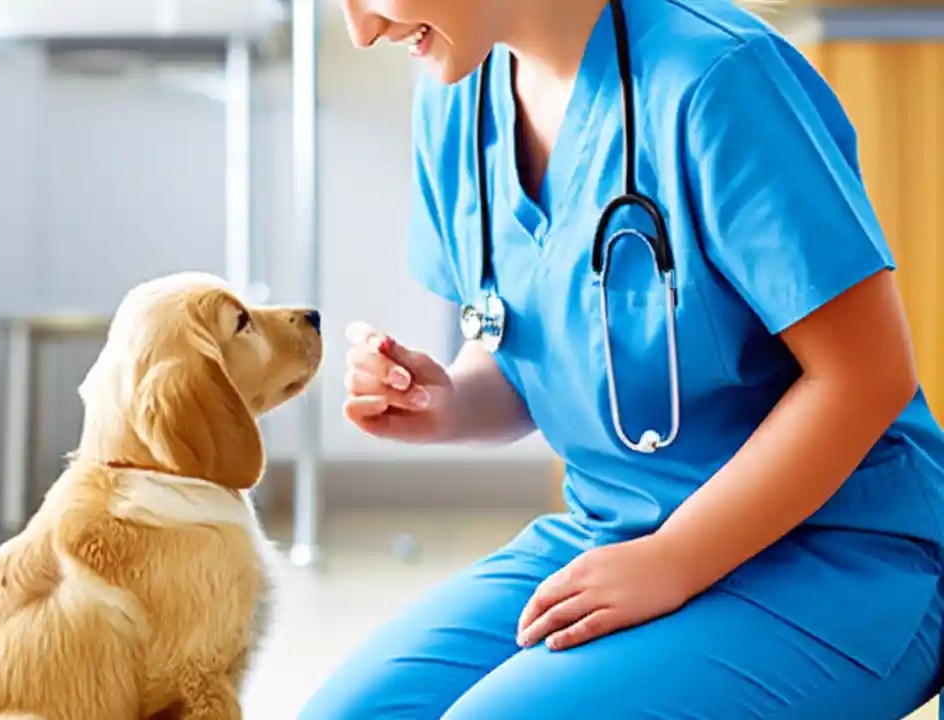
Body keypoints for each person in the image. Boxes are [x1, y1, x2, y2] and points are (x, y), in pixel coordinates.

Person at [299, 0, 944, 717]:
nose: (360, 31)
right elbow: (529, 344)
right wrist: (449, 397)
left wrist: (677, 561)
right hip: (615, 535)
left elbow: (866, 375)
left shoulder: (718, 81)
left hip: (836, 552)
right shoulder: (458, 92)